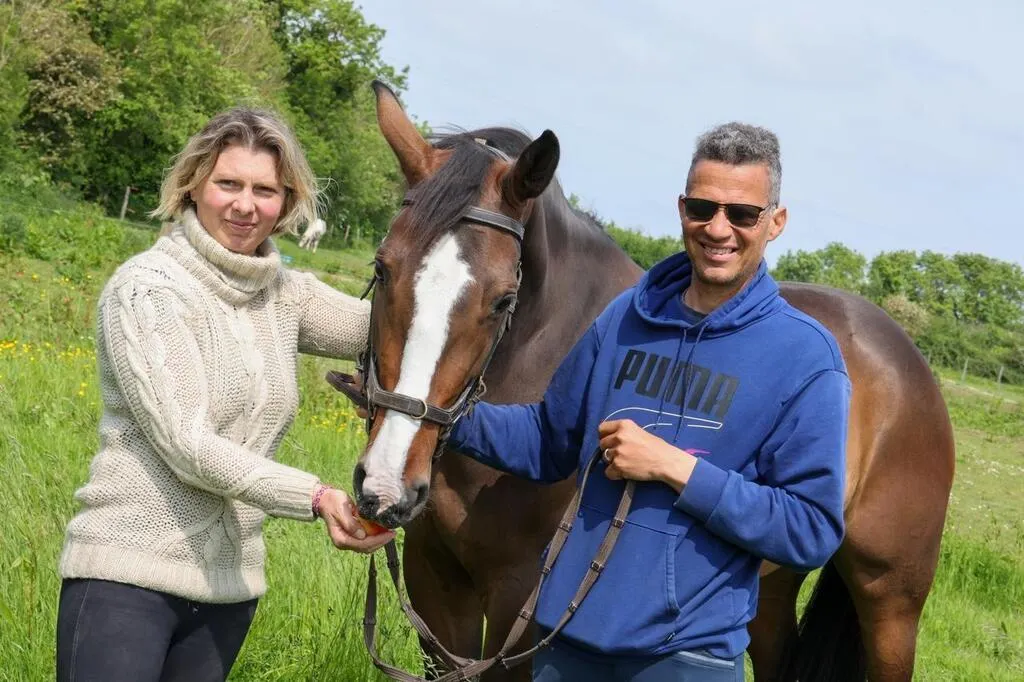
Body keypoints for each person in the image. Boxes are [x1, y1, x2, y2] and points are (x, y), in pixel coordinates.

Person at [446, 123, 850, 681]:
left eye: (742, 214)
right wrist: (436, 415)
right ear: (682, 207)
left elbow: (809, 529)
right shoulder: (624, 319)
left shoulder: (806, 357)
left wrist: (676, 469)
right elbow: (547, 440)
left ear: (775, 222)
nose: (718, 228)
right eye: (703, 208)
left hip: (686, 659)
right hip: (565, 645)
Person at [56, 107, 393, 682]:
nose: (245, 205)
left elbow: (393, 330)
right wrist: (315, 496)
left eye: (265, 190)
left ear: (286, 203)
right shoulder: (146, 290)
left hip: (227, 591)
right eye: (228, 183)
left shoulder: (285, 292)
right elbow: (188, 445)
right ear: (193, 186)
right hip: (126, 578)